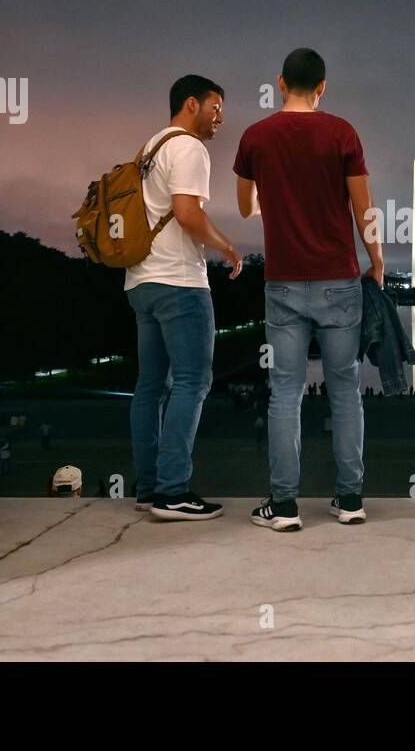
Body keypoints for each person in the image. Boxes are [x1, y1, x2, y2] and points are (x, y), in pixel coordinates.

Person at [234, 48, 382, 531]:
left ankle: (283, 506)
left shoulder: (255, 137)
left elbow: (245, 208)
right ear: (322, 87)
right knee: (345, 391)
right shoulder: (342, 133)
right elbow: (365, 211)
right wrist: (376, 260)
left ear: (280, 82)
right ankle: (350, 498)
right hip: (339, 279)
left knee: (285, 393)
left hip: (282, 281)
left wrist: (279, 198)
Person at [125, 74, 242, 522]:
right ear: (191, 104)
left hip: (142, 282)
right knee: (193, 382)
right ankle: (173, 492)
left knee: (150, 386)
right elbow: (188, 213)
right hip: (179, 282)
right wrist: (227, 245)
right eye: (216, 107)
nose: (221, 118)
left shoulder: (150, 147)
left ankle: (148, 487)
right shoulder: (190, 147)